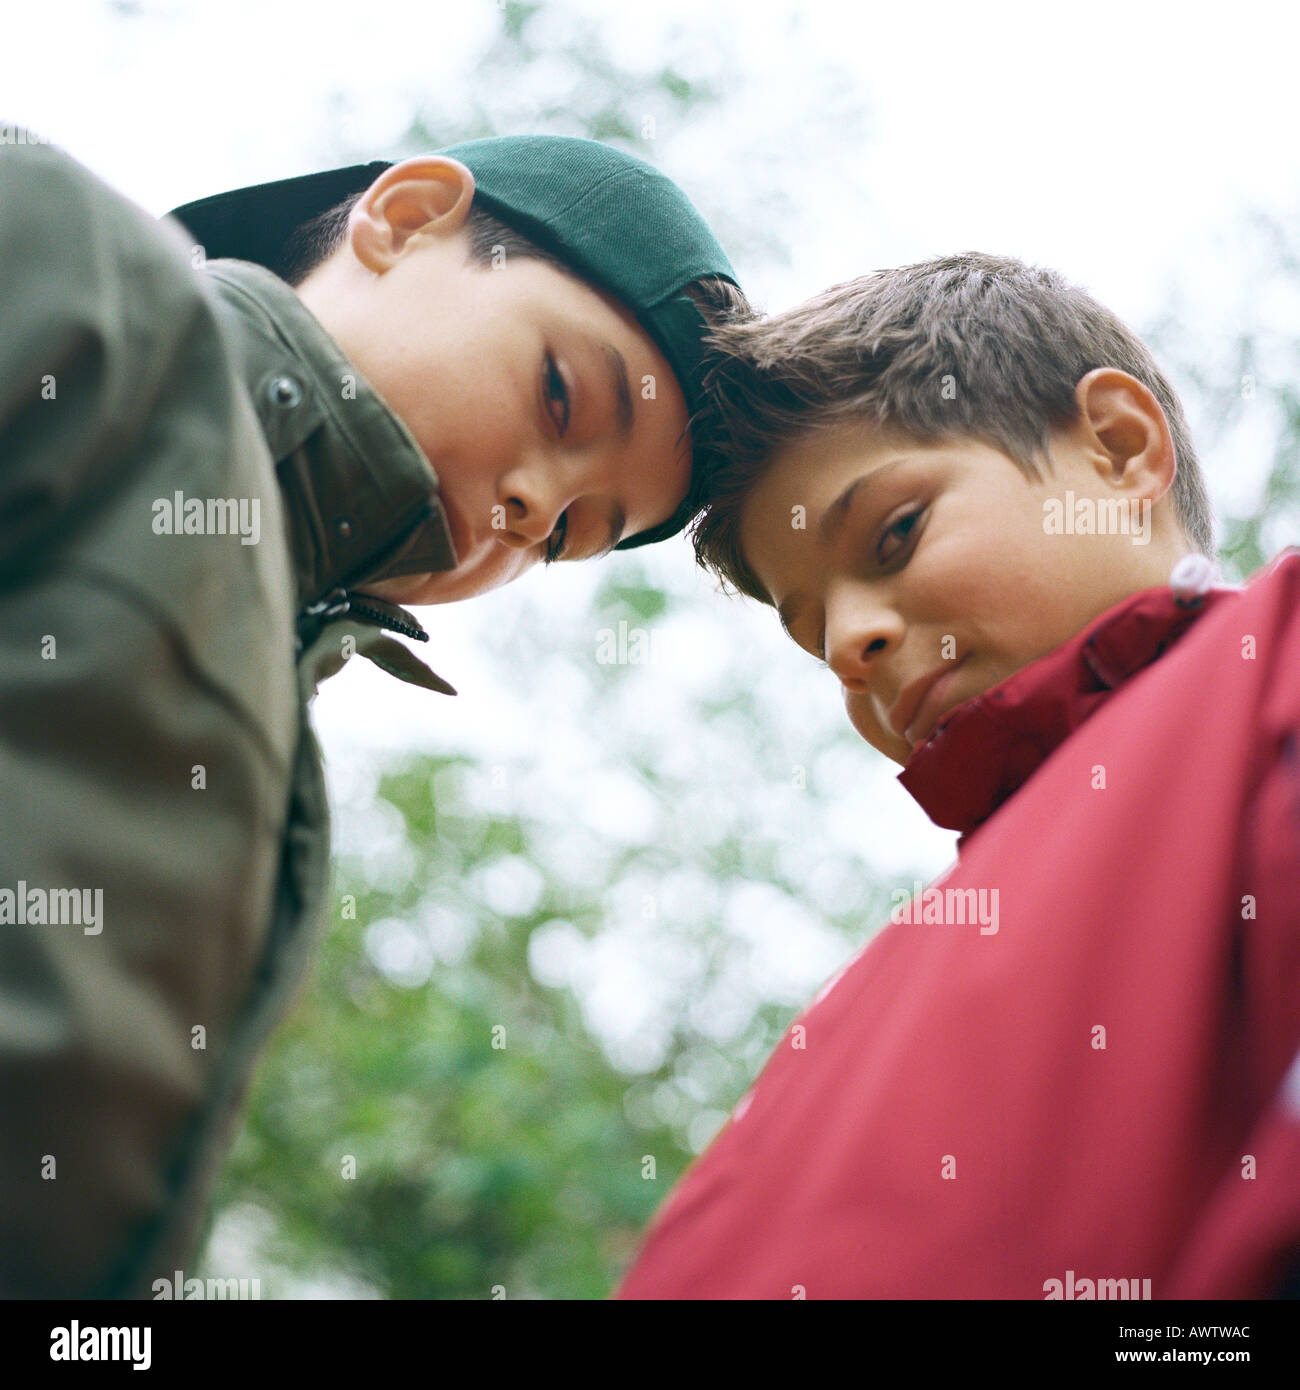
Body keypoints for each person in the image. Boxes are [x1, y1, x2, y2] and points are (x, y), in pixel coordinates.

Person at [0, 128, 747, 1298]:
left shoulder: (282, 745)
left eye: (564, 535)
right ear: (404, 219)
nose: (527, 505)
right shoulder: (64, 264)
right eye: (560, 395)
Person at [617, 253, 1300, 1299]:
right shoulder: (844, 1019)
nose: (850, 641)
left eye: (894, 533)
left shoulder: (1269, 692)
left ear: (1118, 448)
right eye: (812, 634)